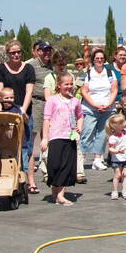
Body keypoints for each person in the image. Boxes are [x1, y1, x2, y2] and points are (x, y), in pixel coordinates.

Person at [0, 41, 37, 189]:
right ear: (8, 54)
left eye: (18, 52)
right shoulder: (1, 69)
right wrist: (0, 111)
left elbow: (29, 91)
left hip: (23, 112)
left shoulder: (28, 68)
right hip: (6, 113)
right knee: (5, 146)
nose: (16, 55)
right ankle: (7, 178)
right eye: (13, 53)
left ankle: (30, 181)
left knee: (27, 147)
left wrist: (22, 111)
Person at [42, 72, 82, 205]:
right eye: (66, 84)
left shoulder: (75, 101)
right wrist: (45, 138)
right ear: (59, 85)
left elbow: (80, 116)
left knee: (66, 166)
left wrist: (78, 128)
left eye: (71, 84)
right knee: (55, 165)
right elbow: (46, 119)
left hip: (69, 137)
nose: (69, 86)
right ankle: (56, 190)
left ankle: (61, 195)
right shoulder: (52, 100)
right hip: (56, 136)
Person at [80, 48, 118, 175]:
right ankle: (81, 158)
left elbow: (114, 90)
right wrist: (94, 105)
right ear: (93, 60)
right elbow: (84, 91)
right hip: (91, 108)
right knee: (87, 132)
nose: (99, 60)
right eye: (97, 58)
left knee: (103, 134)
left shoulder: (110, 72)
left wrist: (108, 104)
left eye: (101, 58)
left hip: (107, 108)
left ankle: (97, 159)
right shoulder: (88, 73)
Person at [25, 40, 53, 197]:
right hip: (36, 103)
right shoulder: (31, 65)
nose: (48, 53)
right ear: (38, 51)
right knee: (32, 137)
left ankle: (47, 170)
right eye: (45, 50)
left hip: (49, 103)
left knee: (47, 137)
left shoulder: (51, 66)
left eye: (49, 50)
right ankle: (30, 175)